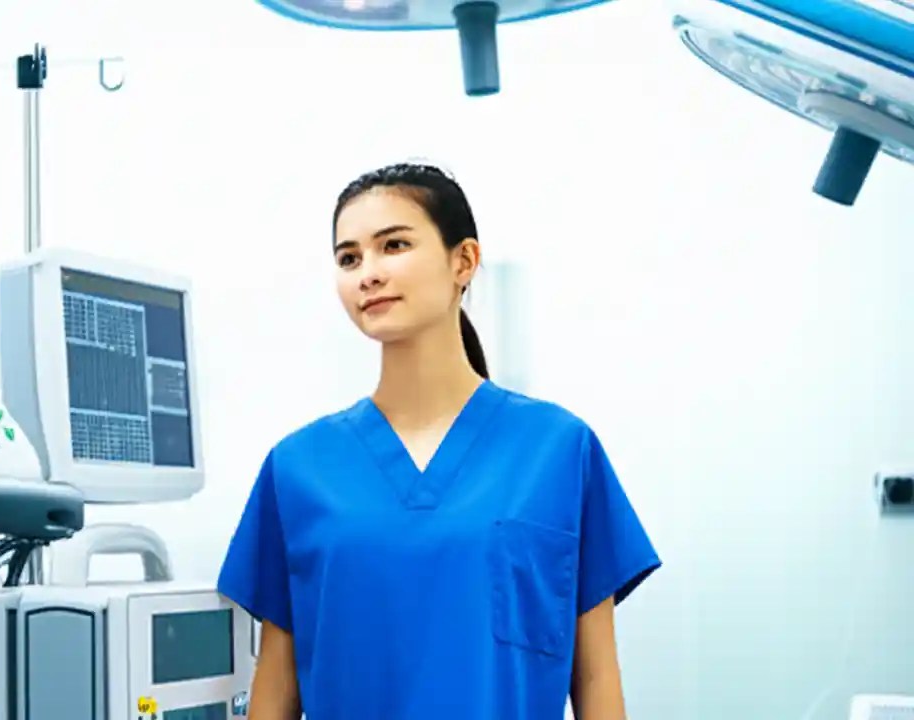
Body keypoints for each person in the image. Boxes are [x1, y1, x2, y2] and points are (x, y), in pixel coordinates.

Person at [216, 162, 661, 719]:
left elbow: (597, 680)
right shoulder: (298, 468)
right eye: (349, 258)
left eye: (393, 245)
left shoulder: (559, 451)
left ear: (463, 261)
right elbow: (275, 691)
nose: (368, 273)